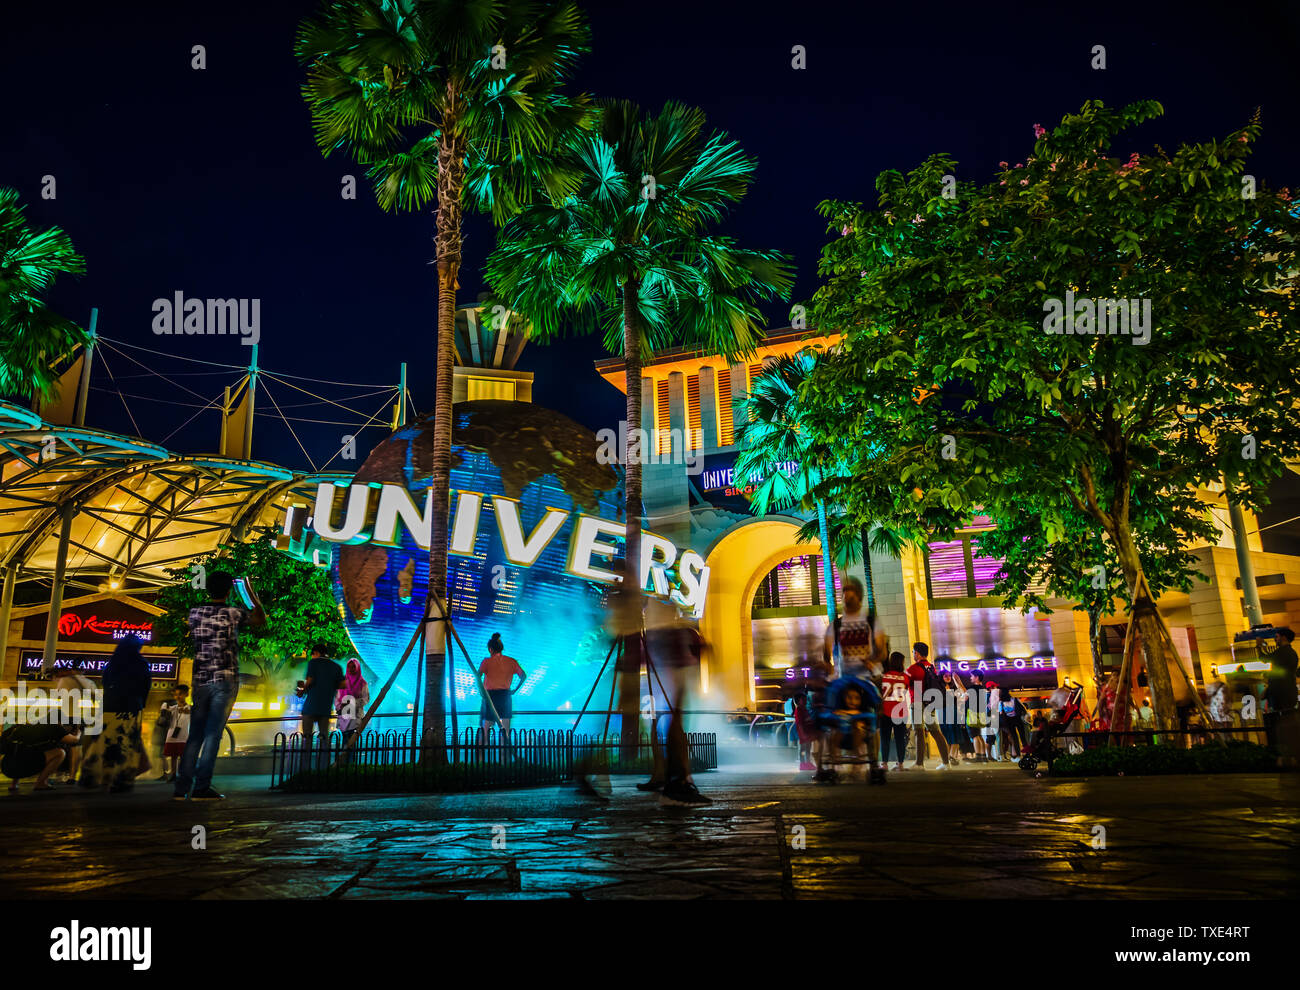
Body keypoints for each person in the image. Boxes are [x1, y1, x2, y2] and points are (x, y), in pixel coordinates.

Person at [173, 571, 265, 801]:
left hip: (200, 680)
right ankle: (202, 788)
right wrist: (252, 596)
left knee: (195, 735)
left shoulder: (194, 612)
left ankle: (181, 788)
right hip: (225, 679)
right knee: (213, 734)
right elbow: (260, 619)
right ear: (228, 591)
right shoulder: (232, 613)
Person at [644, 600, 712, 806]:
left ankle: (679, 779)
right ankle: (676, 784)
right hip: (668, 647)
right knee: (676, 716)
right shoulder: (662, 619)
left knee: (676, 718)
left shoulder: (659, 621)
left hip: (666, 645)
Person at [80, 634, 153, 792]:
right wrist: (141, 703)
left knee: (104, 741)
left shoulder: (112, 663)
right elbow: (145, 686)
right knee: (124, 742)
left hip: (109, 707)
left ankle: (96, 776)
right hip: (129, 708)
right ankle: (119, 778)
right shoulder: (140, 663)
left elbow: (105, 682)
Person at [299, 642, 345, 771]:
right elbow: (342, 684)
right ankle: (324, 768)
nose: (312, 657)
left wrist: (302, 691)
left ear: (316, 653)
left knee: (307, 738)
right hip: (325, 707)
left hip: (310, 706)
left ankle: (305, 768)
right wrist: (329, 685)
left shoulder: (313, 663)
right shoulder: (336, 667)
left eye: (312, 654)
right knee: (324, 737)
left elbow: (310, 680)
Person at [2, 722, 82, 792]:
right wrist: (78, 733)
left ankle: (14, 784)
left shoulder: (28, 727)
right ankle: (40, 783)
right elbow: (74, 740)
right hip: (23, 769)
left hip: (7, 768)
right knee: (60, 753)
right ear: (59, 722)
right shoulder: (55, 727)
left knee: (22, 750)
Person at [906, 643, 950, 769]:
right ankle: (946, 763)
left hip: (918, 703)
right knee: (936, 732)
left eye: (914, 651)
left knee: (919, 732)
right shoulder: (931, 667)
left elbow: (904, 682)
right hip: (929, 703)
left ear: (917, 653)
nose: (914, 654)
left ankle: (919, 764)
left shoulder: (914, 669)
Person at [478, 633, 526, 737]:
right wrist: (515, 690)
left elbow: (478, 676)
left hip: (490, 696)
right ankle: (505, 751)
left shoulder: (486, 662)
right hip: (505, 696)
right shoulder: (511, 661)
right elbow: (523, 676)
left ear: (490, 649)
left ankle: (481, 751)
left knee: (486, 729)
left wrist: (481, 691)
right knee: (506, 730)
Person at [1263, 627, 1299, 768]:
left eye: (1276, 637)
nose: (1275, 639)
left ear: (1283, 637)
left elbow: (1265, 659)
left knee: (1285, 725)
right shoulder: (1291, 653)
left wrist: (1259, 646)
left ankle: (1288, 757)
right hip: (1288, 693)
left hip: (1283, 694)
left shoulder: (1283, 653)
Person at [879, 651, 911, 771]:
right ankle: (900, 764)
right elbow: (906, 690)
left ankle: (884, 764)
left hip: (885, 711)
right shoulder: (905, 677)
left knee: (885, 738)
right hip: (900, 712)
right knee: (900, 738)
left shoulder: (883, 675)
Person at [335, 659, 370, 757]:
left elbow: (366, 698)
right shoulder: (343, 682)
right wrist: (339, 707)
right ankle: (343, 765)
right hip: (343, 715)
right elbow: (337, 698)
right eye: (349, 667)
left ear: (358, 667)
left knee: (352, 743)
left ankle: (350, 765)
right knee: (345, 741)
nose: (351, 669)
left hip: (355, 716)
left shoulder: (363, 683)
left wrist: (352, 702)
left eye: (353, 666)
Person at [159, 684, 191, 781]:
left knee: (183, 756)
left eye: (180, 694)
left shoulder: (190, 709)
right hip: (172, 735)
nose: (177, 697)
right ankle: (173, 774)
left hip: (183, 736)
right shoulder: (173, 708)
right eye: (175, 694)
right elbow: (163, 709)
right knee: (173, 756)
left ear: (187, 694)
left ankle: (182, 774)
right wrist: (165, 707)